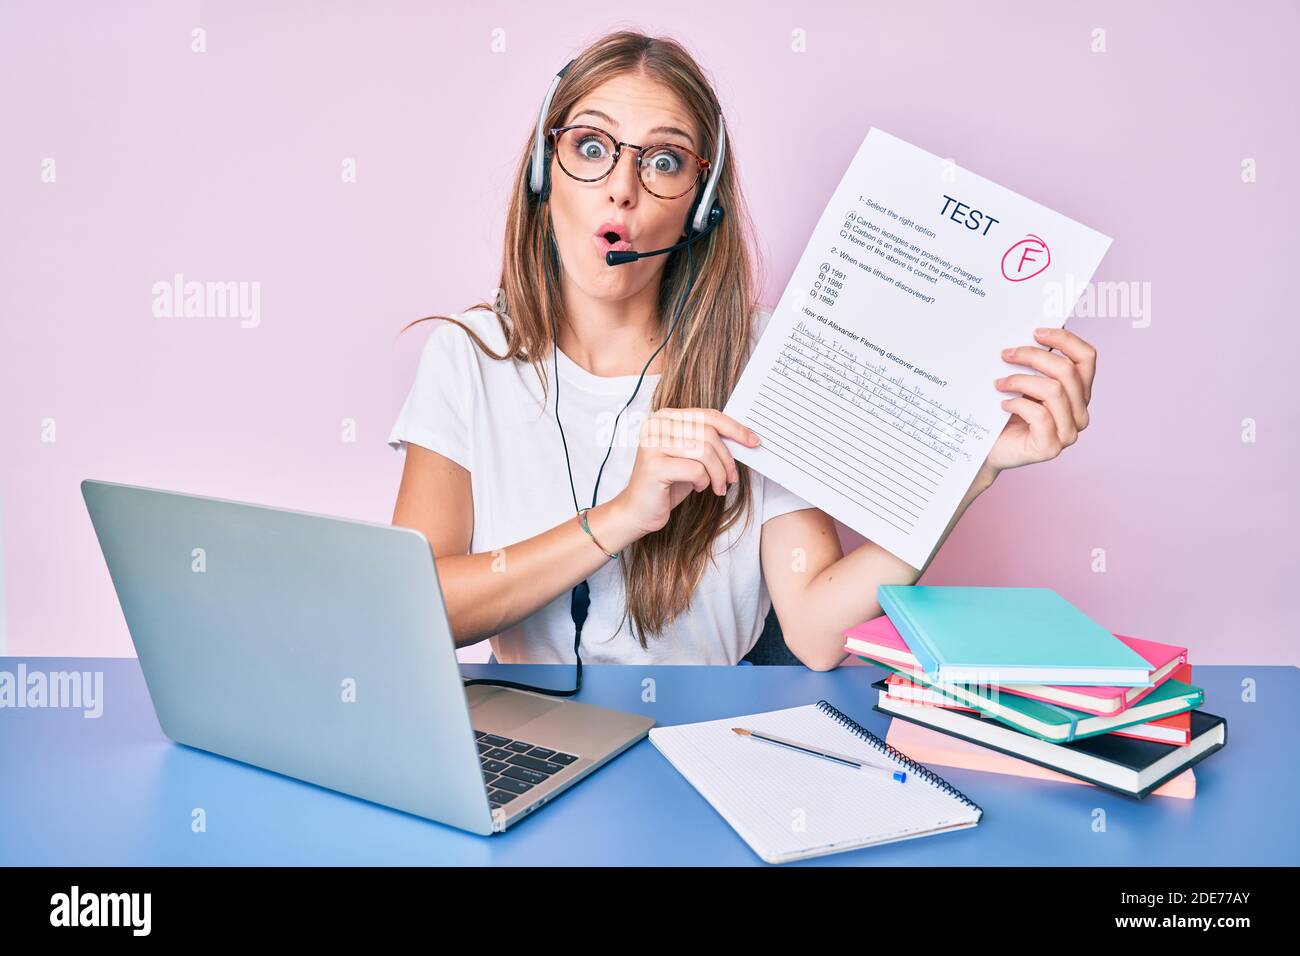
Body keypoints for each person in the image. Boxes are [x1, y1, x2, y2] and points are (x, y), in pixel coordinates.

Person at [388, 30, 1097, 671]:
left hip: (705, 743)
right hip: (532, 741)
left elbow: (818, 632)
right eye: (592, 148)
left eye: (663, 161)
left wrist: (971, 471)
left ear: (700, 207)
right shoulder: (468, 356)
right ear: (545, 171)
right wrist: (624, 515)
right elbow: (419, 608)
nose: (621, 190)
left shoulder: (761, 357)